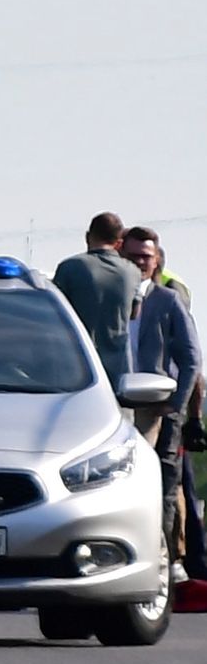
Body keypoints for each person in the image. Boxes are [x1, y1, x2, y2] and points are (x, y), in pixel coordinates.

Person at [125, 226, 204, 579]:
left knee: (165, 486)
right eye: (134, 256)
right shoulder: (111, 302)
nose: (140, 262)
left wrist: (177, 404)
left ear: (156, 261)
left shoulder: (167, 301)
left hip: (160, 409)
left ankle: (167, 560)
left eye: (146, 256)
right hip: (117, 409)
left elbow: (191, 359)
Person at [51, 212, 137, 383]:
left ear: (88, 236)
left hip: (76, 364)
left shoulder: (70, 267)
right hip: (118, 367)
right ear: (119, 243)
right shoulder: (131, 271)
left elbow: (54, 315)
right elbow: (135, 313)